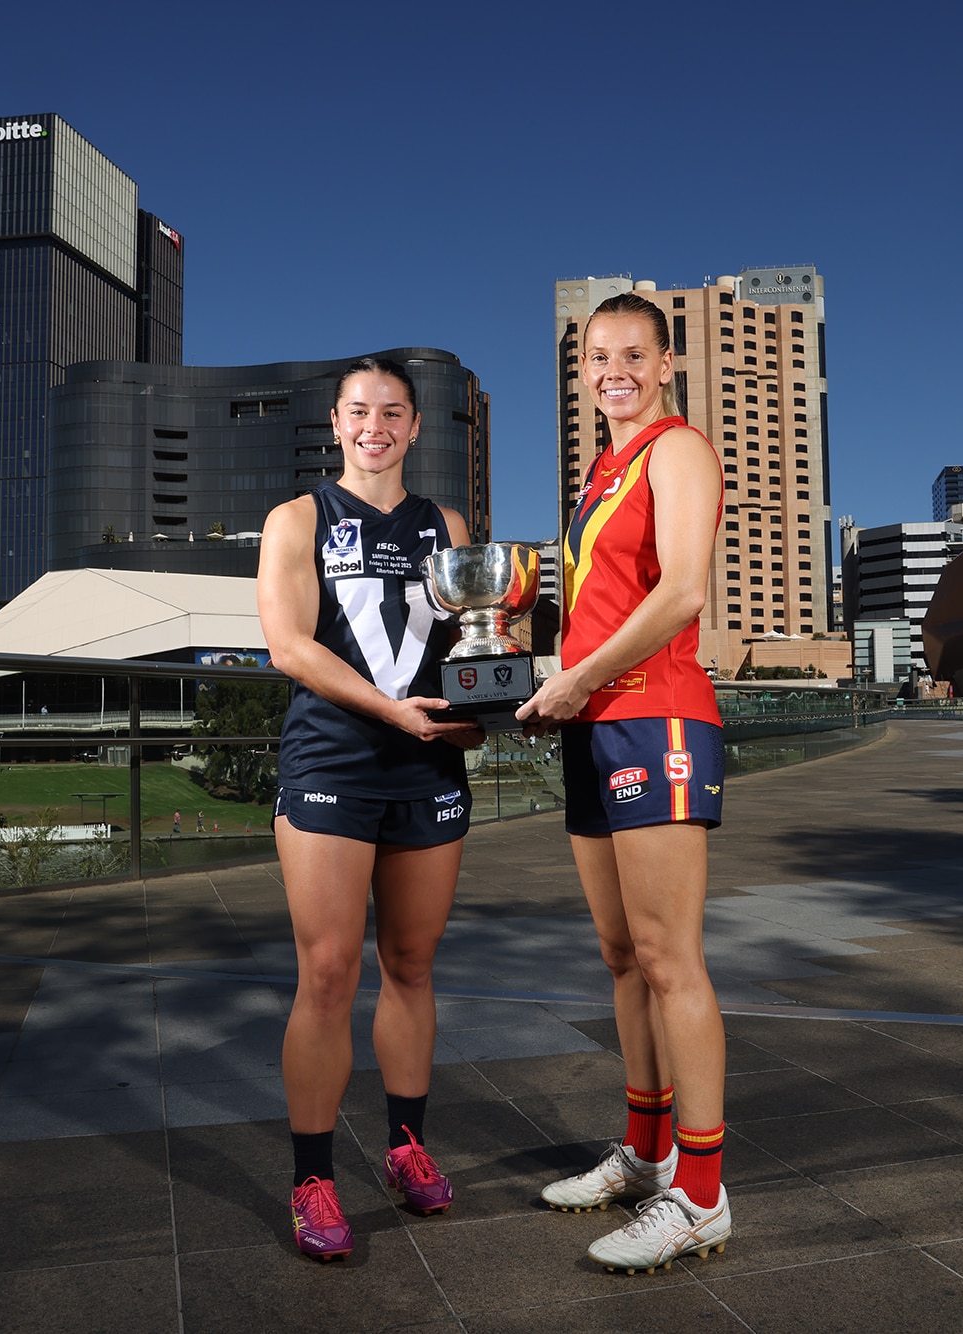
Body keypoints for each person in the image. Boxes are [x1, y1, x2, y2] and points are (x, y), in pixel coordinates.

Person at [517, 293, 732, 1274]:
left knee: (668, 955)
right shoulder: (598, 468)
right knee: (618, 954)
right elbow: (597, 605)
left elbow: (681, 590)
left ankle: (699, 1190)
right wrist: (550, 671)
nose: (613, 368)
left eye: (631, 353)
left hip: (657, 714)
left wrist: (577, 674)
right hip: (591, 720)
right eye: (597, 354)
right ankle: (645, 1154)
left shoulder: (675, 451)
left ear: (664, 362)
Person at [260, 357, 484, 1262]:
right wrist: (391, 710)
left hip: (427, 770)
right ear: (337, 422)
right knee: (325, 975)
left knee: (411, 965)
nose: (376, 426)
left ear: (417, 427)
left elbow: (472, 646)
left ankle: (404, 1148)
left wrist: (482, 711)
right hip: (331, 764)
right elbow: (287, 647)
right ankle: (312, 1180)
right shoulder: (299, 518)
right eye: (361, 411)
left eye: (394, 412)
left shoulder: (448, 526)